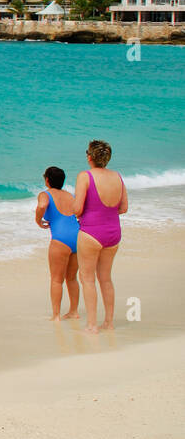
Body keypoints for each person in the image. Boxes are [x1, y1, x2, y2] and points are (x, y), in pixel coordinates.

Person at [72, 139, 129, 334]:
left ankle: (92, 325)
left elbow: (77, 208)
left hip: (90, 232)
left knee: (87, 278)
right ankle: (109, 323)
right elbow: (124, 208)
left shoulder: (84, 176)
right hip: (113, 234)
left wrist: (79, 211)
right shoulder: (117, 177)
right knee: (105, 278)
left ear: (89, 157)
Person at [34, 166, 80, 320]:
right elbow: (80, 212)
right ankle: (74, 312)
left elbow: (42, 205)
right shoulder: (70, 195)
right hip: (77, 237)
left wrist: (38, 220)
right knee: (72, 278)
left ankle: (56, 315)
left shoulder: (45, 194)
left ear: (47, 180)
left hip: (60, 239)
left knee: (56, 279)